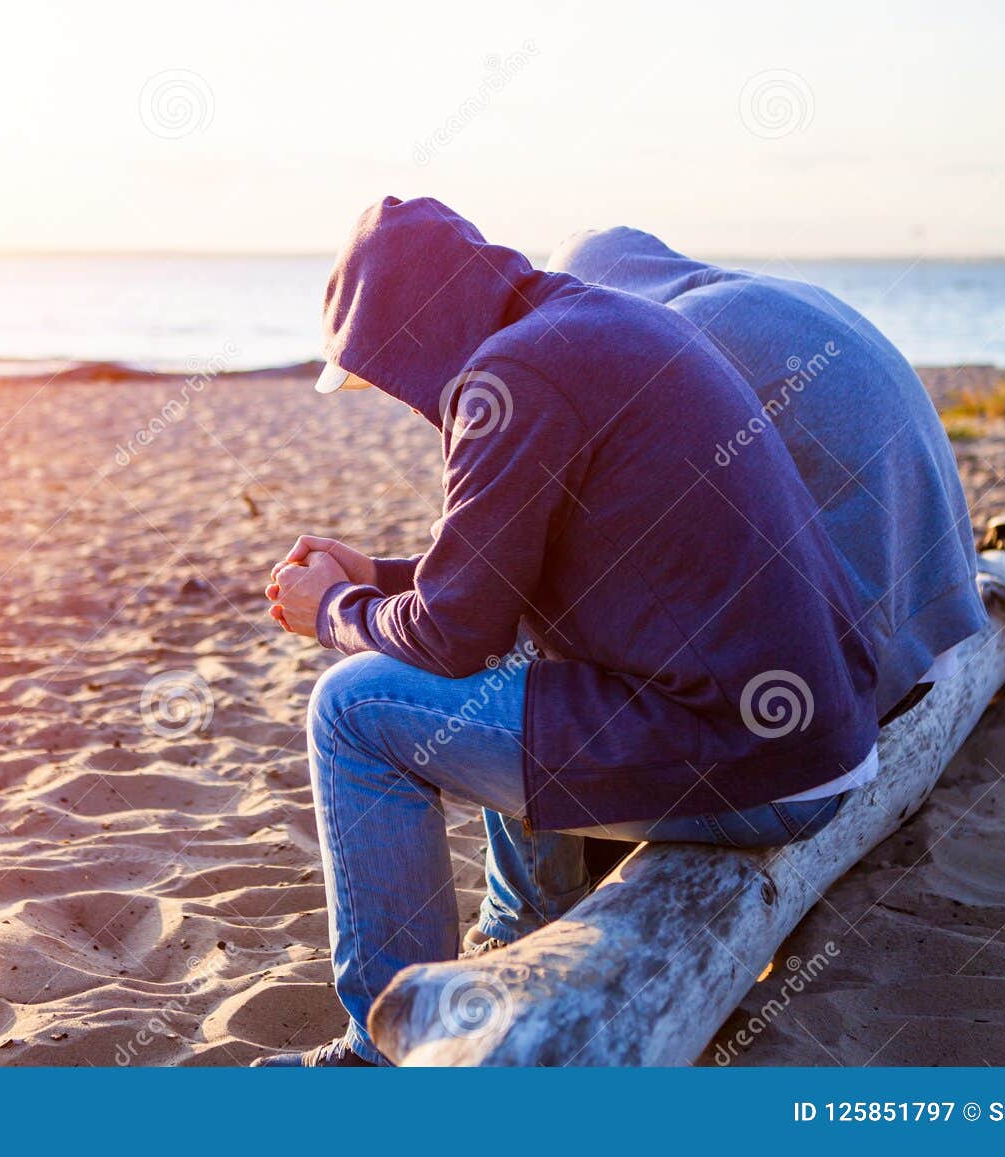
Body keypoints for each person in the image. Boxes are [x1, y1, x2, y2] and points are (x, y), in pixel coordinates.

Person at [250, 196, 879, 1067]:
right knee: (514, 652)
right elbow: (500, 578)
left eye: (379, 374)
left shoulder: (508, 382)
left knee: (350, 707)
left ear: (406, 336)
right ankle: (524, 932)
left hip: (759, 765)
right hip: (819, 737)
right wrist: (377, 576)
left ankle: (380, 1053)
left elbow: (451, 639)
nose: (396, 399)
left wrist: (330, 612)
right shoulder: (587, 325)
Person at [461, 228, 989, 960]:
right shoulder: (770, 299)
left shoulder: (664, 343)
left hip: (857, 692)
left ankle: (516, 924)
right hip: (940, 637)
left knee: (526, 613)